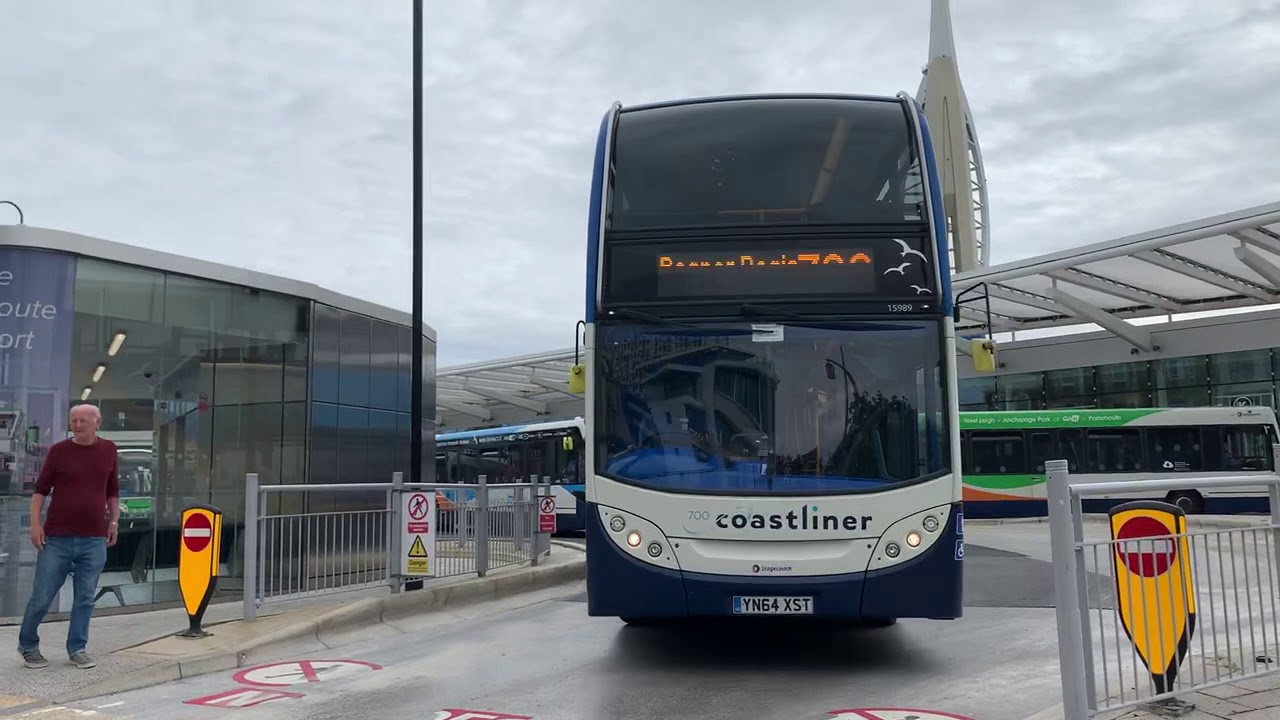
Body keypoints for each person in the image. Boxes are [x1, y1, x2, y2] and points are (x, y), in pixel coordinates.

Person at [17, 404, 119, 670]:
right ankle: (28, 644)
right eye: (73, 420)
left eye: (83, 420)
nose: (77, 424)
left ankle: (77, 648)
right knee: (42, 596)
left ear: (97, 421)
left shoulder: (109, 450)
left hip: (94, 539)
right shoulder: (59, 451)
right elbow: (40, 491)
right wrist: (35, 525)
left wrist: (114, 522)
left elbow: (113, 491)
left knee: (85, 598)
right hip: (57, 538)